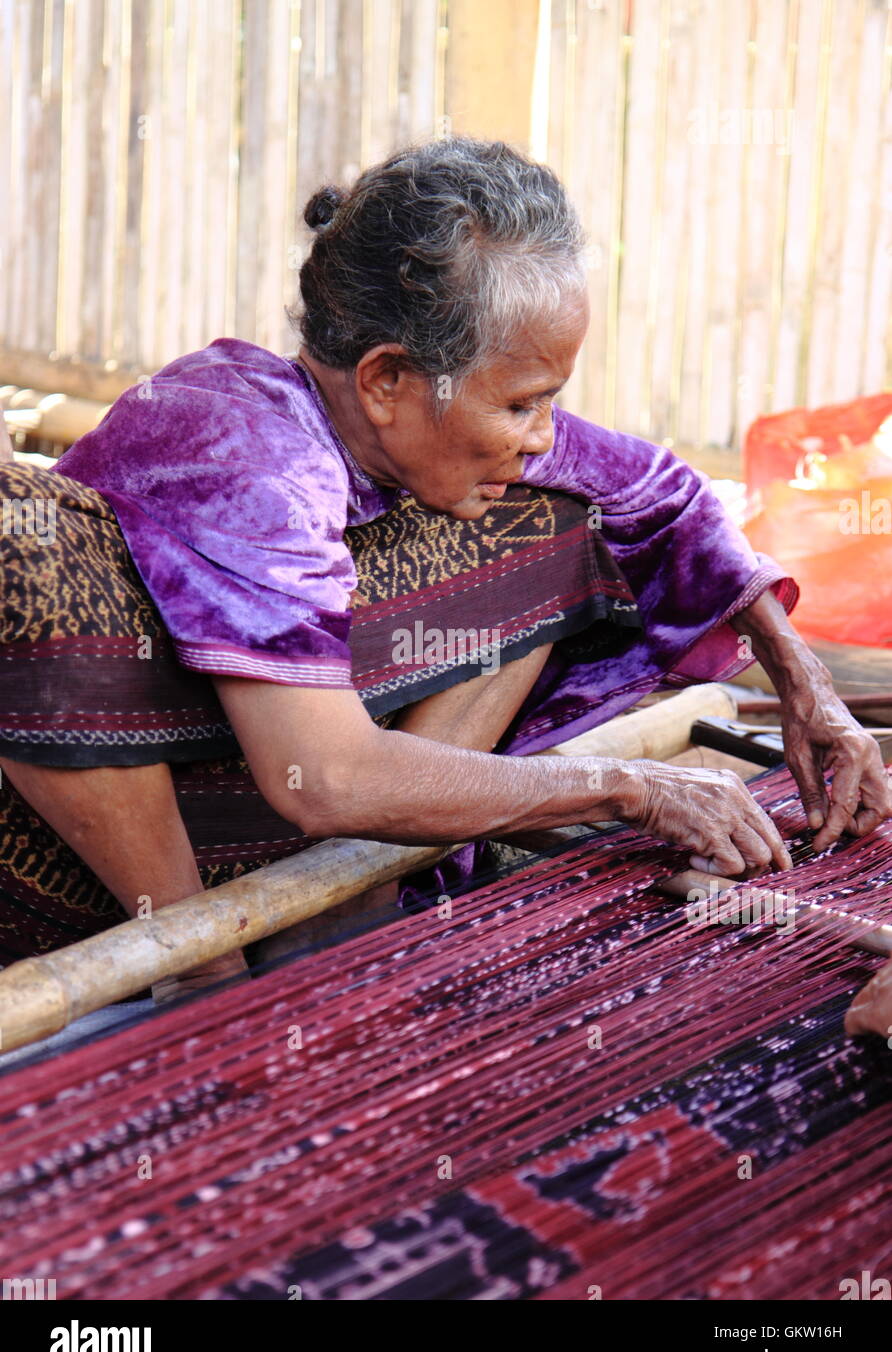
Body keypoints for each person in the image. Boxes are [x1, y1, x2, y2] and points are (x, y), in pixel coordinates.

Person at [1, 136, 889, 1012]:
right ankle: (192, 964)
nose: (542, 432)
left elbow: (656, 489)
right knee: (20, 544)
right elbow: (326, 777)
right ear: (387, 378)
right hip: (65, 845)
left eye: (549, 400)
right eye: (519, 402)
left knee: (560, 517)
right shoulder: (248, 451)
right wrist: (632, 786)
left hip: (254, 792)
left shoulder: (407, 425)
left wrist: (808, 688)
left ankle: (355, 892)